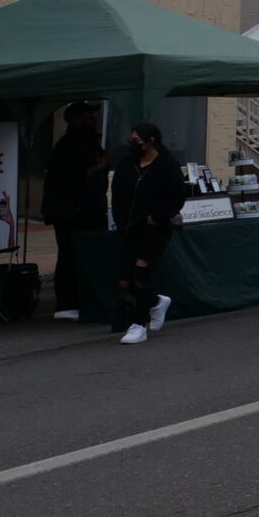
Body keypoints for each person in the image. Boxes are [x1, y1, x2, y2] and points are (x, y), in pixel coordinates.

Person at [110, 122, 188, 345]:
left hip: (155, 228)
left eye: (138, 141)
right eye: (132, 141)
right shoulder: (127, 164)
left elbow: (177, 197)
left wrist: (157, 217)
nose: (134, 145)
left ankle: (138, 325)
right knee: (125, 281)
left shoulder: (167, 165)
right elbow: (117, 194)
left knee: (142, 272)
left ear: (151, 140)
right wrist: (121, 219)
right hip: (129, 226)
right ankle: (155, 303)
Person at [40, 101, 109, 320]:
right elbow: (75, 176)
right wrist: (99, 166)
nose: (94, 120)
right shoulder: (69, 145)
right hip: (72, 212)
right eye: (89, 117)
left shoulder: (90, 142)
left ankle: (85, 299)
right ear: (75, 120)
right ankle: (67, 303)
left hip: (90, 210)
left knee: (89, 256)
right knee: (70, 255)